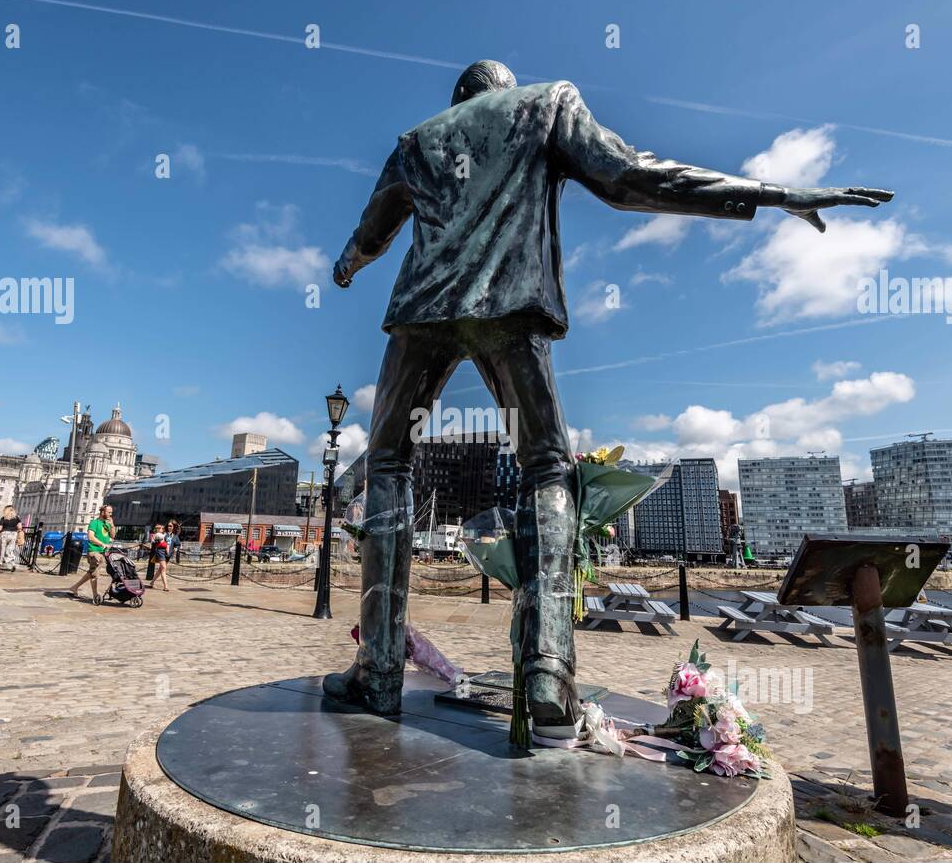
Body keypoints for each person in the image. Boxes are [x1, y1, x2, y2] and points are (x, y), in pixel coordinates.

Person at [324, 60, 894, 729]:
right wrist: (769, 193)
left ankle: (381, 669)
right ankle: (546, 667)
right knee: (546, 469)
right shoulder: (545, 105)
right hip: (510, 307)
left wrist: (347, 265)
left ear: (457, 100)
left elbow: (372, 232)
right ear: (503, 91)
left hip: (421, 312)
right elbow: (629, 177)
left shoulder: (416, 141)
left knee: (388, 461)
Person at [69, 504, 114, 604]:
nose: (111, 514)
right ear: (103, 512)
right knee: (94, 574)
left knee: (92, 572)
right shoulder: (94, 523)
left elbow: (113, 535)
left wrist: (112, 525)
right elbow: (90, 537)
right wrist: (102, 543)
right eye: (109, 512)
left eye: (111, 512)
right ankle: (95, 596)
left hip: (102, 552)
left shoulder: (107, 524)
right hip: (94, 551)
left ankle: (74, 587)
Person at [0, 505, 23, 575]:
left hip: (4, 535)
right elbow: (20, 527)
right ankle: (13, 563)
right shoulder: (17, 518)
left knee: (0, 551)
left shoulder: (4, 518)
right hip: (13, 535)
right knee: (9, 550)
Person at [149, 523, 170, 592]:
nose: (162, 529)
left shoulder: (160, 535)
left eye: (162, 528)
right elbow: (162, 537)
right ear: (158, 529)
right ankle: (165, 586)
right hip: (160, 551)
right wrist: (167, 534)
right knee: (163, 567)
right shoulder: (158, 535)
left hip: (163, 551)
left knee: (160, 569)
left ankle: (152, 582)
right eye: (161, 528)